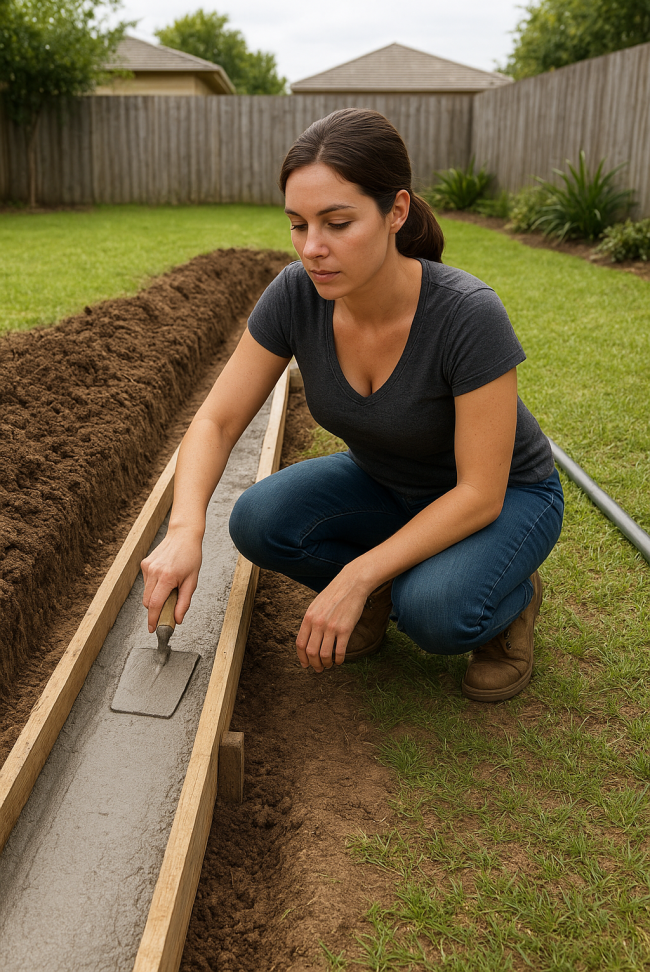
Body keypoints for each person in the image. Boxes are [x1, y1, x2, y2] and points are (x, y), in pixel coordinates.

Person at [141, 108, 564, 703]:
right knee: (259, 520)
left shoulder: (465, 314)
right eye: (298, 224)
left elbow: (480, 492)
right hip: (386, 482)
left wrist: (356, 575)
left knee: (436, 613)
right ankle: (395, 585)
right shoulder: (296, 295)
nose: (312, 248)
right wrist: (184, 529)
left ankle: (510, 604)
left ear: (396, 211)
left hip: (502, 499)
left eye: (337, 223)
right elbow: (216, 420)